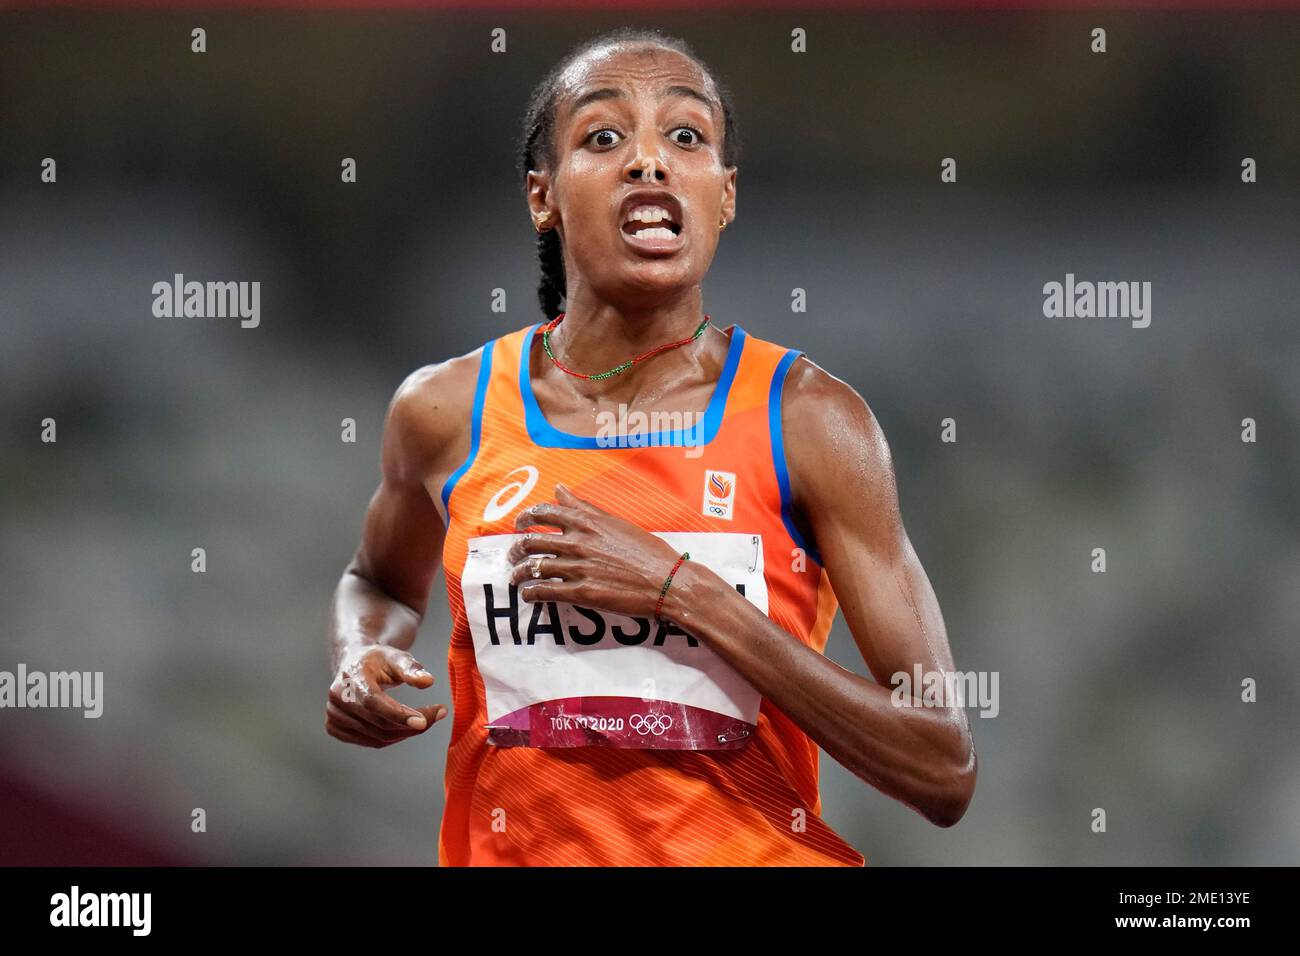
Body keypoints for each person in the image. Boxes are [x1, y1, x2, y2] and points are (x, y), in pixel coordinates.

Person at [327, 27, 975, 866]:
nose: (648, 161)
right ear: (542, 197)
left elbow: (941, 763)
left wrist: (685, 594)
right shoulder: (445, 411)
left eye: (686, 137)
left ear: (725, 194)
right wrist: (361, 652)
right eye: (603, 137)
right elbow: (375, 579)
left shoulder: (809, 421)